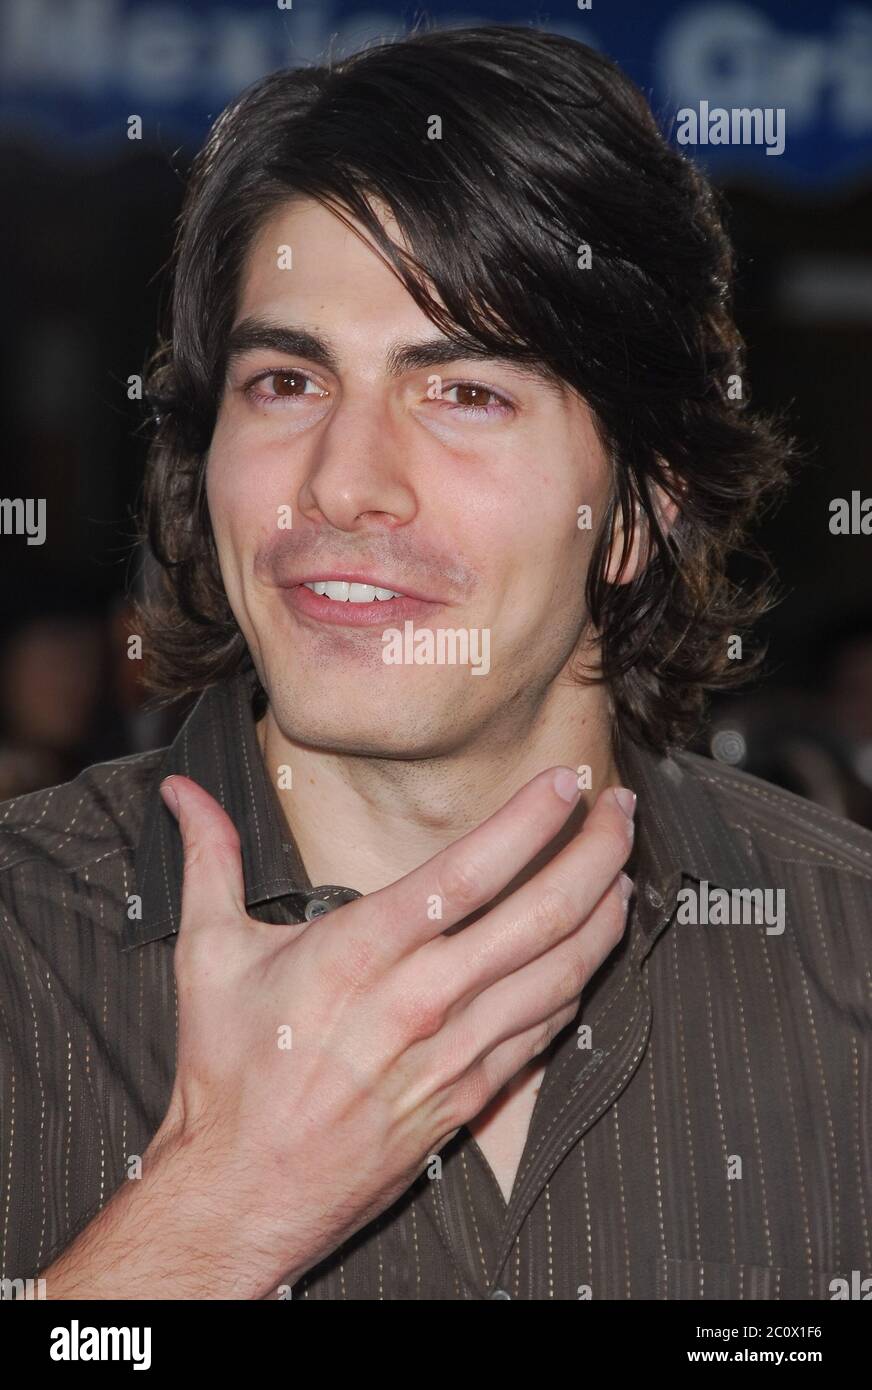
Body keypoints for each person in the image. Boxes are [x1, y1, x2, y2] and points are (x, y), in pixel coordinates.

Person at [1, 24, 870, 1302]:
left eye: (463, 392)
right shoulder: (24, 954)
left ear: (640, 504)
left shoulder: (843, 964)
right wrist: (212, 1217)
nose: (342, 483)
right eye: (287, 380)